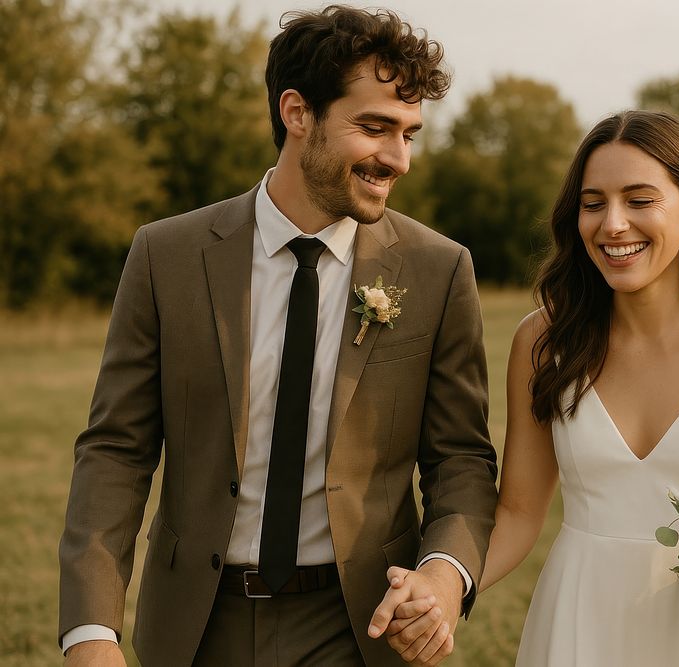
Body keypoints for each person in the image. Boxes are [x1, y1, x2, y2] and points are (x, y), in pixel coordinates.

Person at [57, 6, 498, 666]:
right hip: (197, 625)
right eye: (374, 128)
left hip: (360, 628)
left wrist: (442, 573)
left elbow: (461, 458)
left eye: (409, 133)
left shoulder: (440, 270)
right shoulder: (166, 255)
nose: (398, 159)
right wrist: (91, 631)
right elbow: (116, 449)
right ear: (297, 113)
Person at [384, 110, 679, 666]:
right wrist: (440, 590)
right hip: (577, 624)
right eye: (593, 204)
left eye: (639, 200)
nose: (613, 224)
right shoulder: (543, 342)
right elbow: (518, 514)